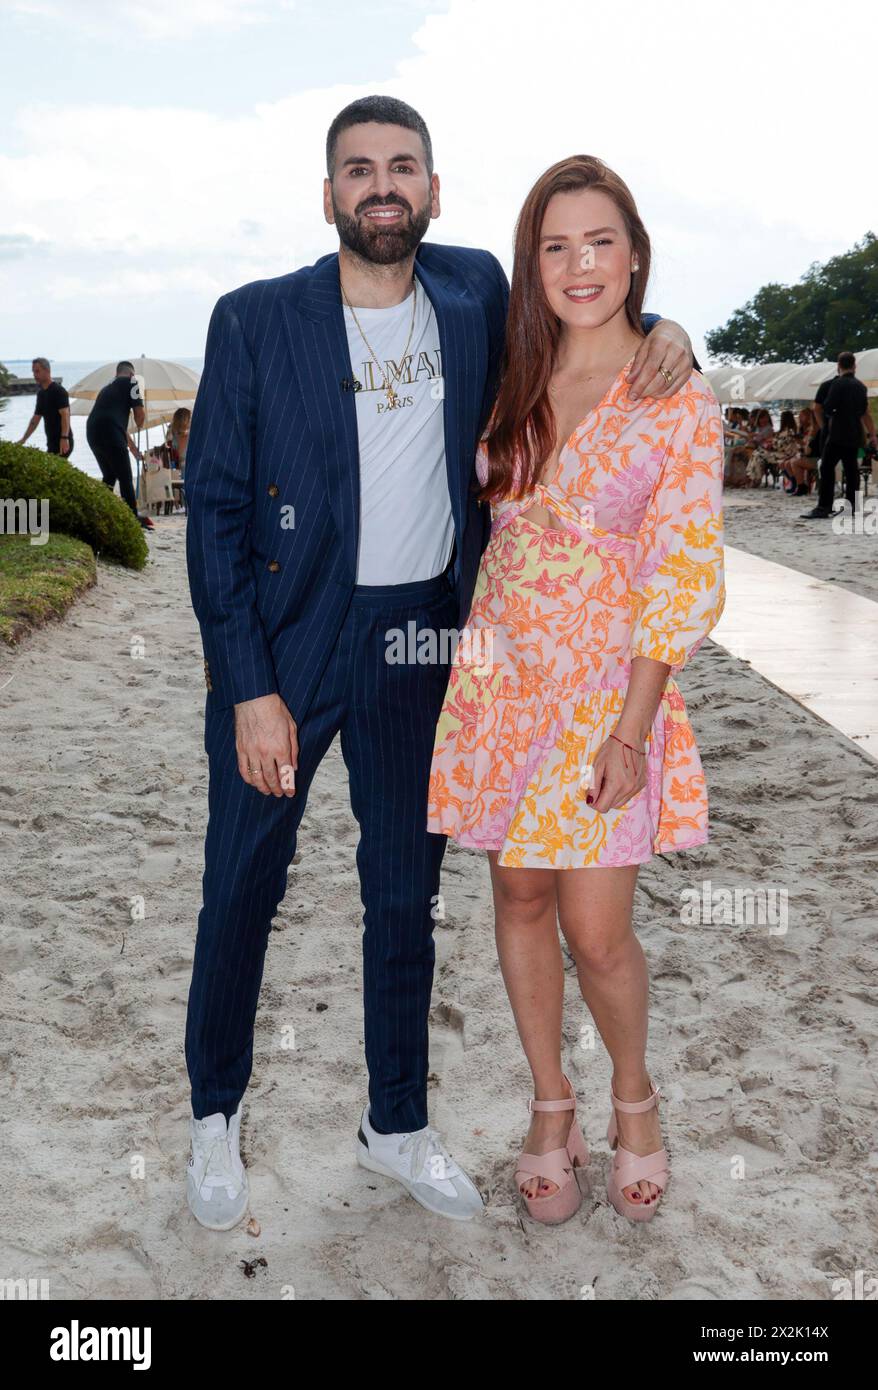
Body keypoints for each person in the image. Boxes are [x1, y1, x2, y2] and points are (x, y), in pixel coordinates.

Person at [183, 95, 698, 1232]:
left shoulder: (472, 291)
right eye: (357, 169)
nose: (381, 186)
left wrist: (670, 330)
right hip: (284, 639)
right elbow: (213, 508)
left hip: (425, 644)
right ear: (328, 196)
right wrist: (245, 687)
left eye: (401, 167)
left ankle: (397, 1122)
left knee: (402, 896)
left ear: (432, 189)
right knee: (239, 886)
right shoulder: (254, 319)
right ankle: (213, 1112)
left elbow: (588, 301)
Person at [427, 155, 725, 1225]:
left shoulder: (672, 391)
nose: (577, 263)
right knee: (515, 895)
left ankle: (632, 1102)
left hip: (605, 690)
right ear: (529, 263)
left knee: (597, 928)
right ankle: (548, 1104)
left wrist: (634, 728)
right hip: (503, 679)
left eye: (598, 241)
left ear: (634, 253)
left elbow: (684, 566)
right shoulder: (506, 367)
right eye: (554, 245)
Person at [804, 351, 877, 519]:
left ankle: (824, 507)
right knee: (852, 470)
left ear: (838, 366)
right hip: (854, 433)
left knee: (827, 467)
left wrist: (826, 425)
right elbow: (864, 412)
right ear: (854, 366)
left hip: (837, 433)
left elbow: (828, 408)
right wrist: (872, 435)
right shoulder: (861, 386)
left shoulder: (837, 385)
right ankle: (852, 506)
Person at [85, 361, 153, 530]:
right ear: (131, 374)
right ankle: (132, 519)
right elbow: (139, 416)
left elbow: (115, 424)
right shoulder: (133, 383)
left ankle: (98, 512)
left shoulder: (106, 389)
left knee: (109, 476)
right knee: (125, 477)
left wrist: (132, 447)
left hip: (93, 432)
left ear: (117, 374)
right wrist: (140, 417)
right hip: (110, 432)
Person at [17, 357, 74, 458]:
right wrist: (23, 439)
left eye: (37, 371)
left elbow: (65, 415)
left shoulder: (59, 391)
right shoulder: (41, 393)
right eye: (33, 372)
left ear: (47, 371)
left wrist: (64, 438)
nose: (34, 375)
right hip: (51, 442)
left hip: (63, 441)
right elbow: (35, 419)